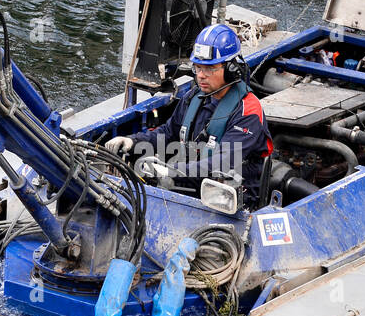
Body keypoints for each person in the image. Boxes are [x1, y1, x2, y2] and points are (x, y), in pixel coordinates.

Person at [105, 23, 273, 208]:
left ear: (231, 69)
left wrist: (170, 171)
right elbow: (169, 133)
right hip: (192, 184)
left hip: (229, 199)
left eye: (210, 68)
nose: (201, 75)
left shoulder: (248, 112)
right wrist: (133, 142)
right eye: (198, 68)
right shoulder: (194, 97)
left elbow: (222, 163)